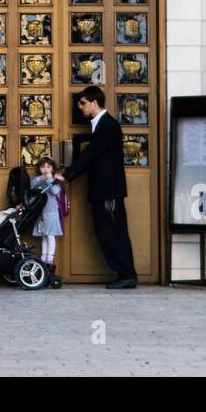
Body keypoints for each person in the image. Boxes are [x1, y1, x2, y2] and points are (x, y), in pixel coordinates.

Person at [57, 85, 137, 289]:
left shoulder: (107, 125)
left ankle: (126, 274)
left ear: (94, 102)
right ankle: (125, 273)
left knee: (111, 232)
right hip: (104, 190)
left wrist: (66, 174)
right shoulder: (101, 125)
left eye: (83, 103)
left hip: (107, 191)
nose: (80, 107)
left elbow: (91, 155)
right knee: (109, 231)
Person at [30, 156, 65, 287]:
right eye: (43, 167)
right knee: (44, 237)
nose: (45, 169)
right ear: (39, 169)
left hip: (51, 213)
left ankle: (49, 261)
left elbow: (56, 191)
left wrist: (51, 178)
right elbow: (32, 185)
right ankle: (43, 261)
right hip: (41, 213)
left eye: (48, 167)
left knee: (50, 236)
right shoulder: (39, 180)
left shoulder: (54, 181)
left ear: (53, 169)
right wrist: (45, 177)